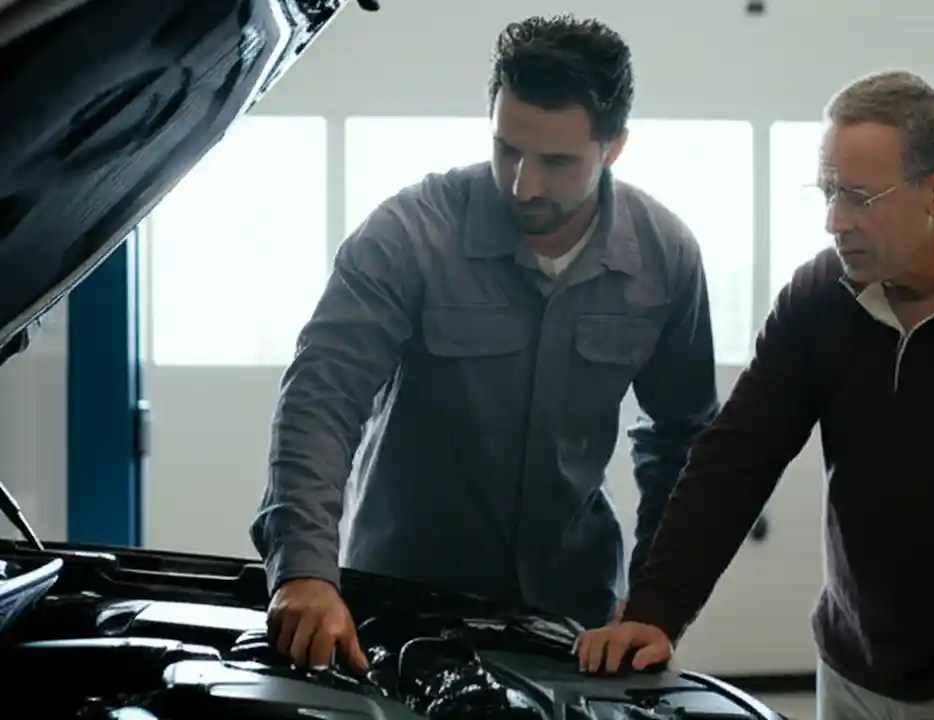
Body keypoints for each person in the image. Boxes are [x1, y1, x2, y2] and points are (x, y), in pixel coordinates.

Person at [576, 70, 934, 720]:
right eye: (826, 191)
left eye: (858, 196)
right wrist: (658, 610)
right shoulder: (820, 298)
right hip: (849, 671)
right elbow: (735, 460)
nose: (833, 220)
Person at [250, 14, 719, 673]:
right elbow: (322, 398)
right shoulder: (407, 234)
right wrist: (303, 570)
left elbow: (685, 440)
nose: (524, 183)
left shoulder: (664, 257)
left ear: (613, 148)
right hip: (399, 605)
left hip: (572, 614)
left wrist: (654, 602)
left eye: (557, 162)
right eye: (507, 149)